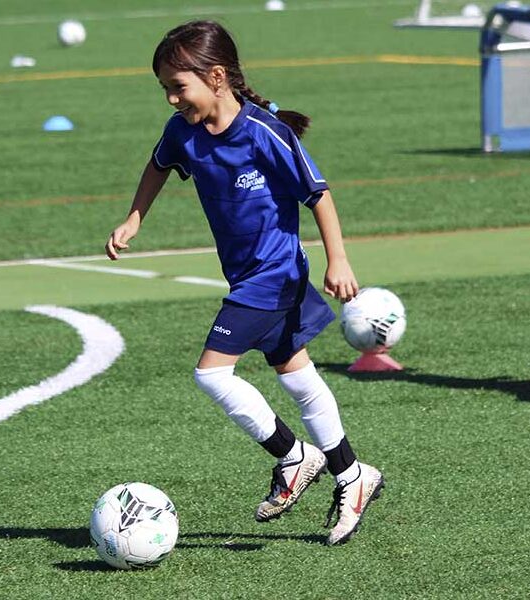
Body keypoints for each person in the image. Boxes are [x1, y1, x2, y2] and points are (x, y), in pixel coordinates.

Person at [105, 20, 383, 545]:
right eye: (163, 87)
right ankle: (352, 475)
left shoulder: (264, 132)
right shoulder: (183, 132)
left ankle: (296, 456)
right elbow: (157, 165)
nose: (170, 98)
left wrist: (338, 259)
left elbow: (318, 194)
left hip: (274, 275)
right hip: (247, 275)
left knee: (212, 375)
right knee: (295, 374)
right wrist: (134, 217)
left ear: (216, 77)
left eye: (177, 86)